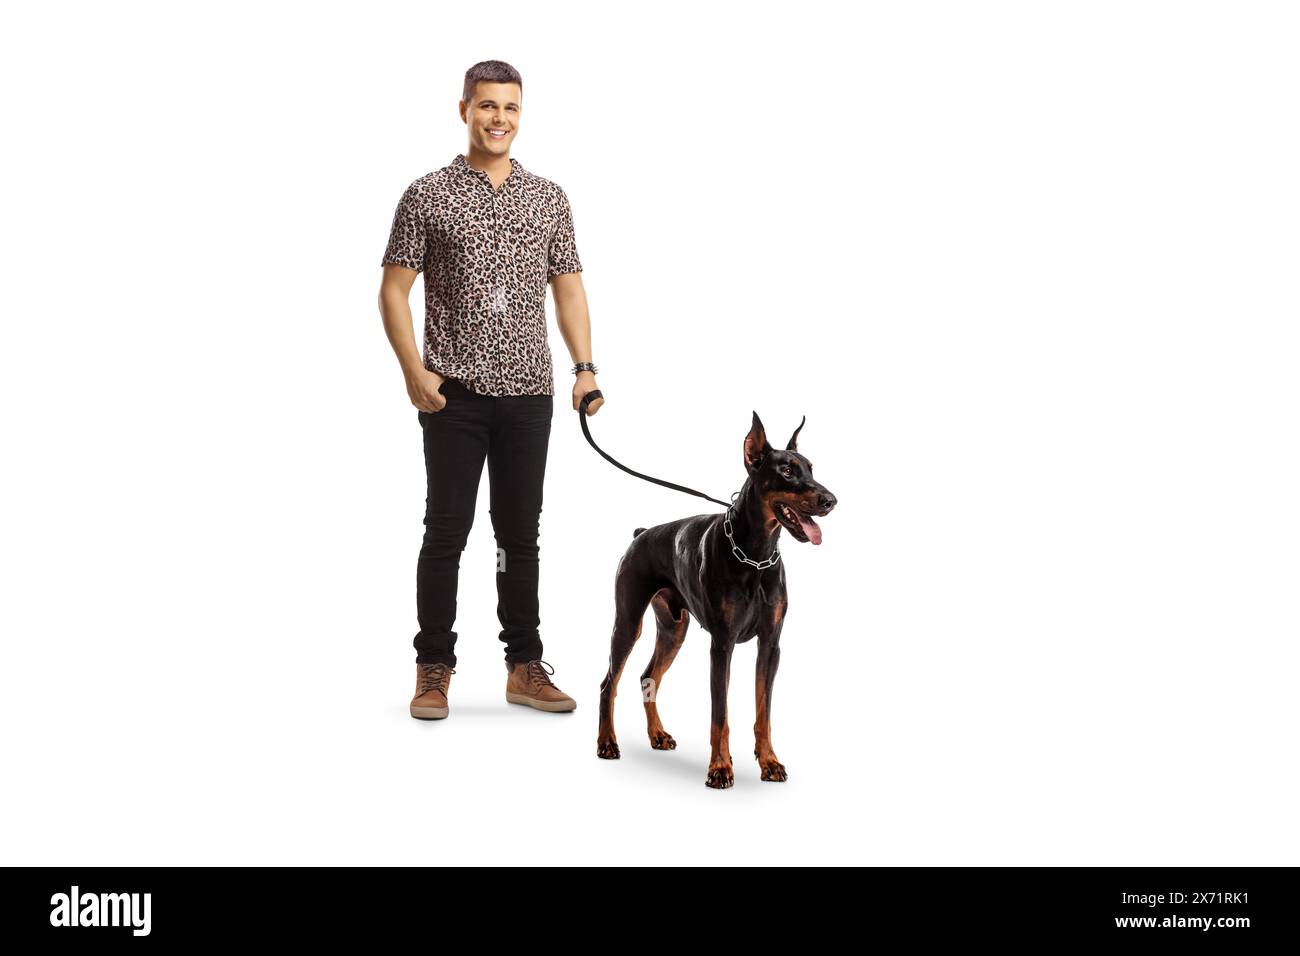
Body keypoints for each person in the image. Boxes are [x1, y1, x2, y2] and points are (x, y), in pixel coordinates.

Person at [377, 60, 603, 720]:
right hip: (455, 395)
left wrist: (585, 367)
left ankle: (524, 666)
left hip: (530, 393)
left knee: (519, 535)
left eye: (510, 107)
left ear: (520, 114)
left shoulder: (549, 197)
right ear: (464, 110)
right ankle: (433, 668)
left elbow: (568, 287)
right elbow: (393, 288)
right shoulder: (427, 193)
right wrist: (412, 370)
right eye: (486, 106)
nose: (498, 118)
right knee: (445, 531)